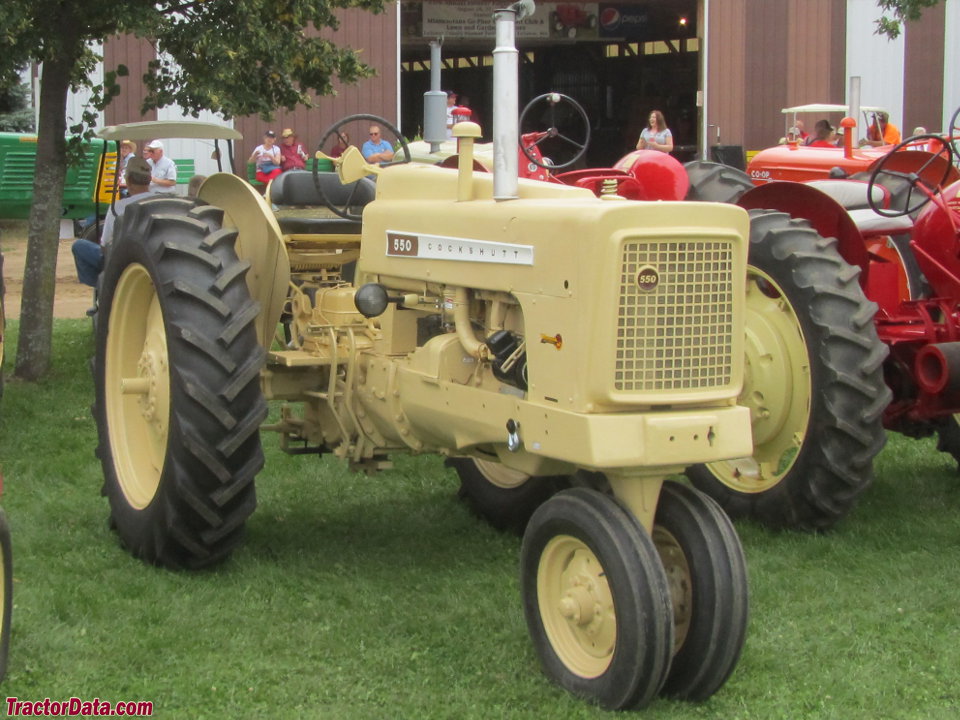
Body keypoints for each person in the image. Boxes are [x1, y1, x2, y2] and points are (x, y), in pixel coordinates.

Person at [72, 157, 153, 290]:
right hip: (152, 257)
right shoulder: (163, 200)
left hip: (123, 260)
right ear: (149, 180)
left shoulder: (118, 207)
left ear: (129, 181)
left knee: (79, 246)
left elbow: (104, 245)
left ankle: (100, 290)